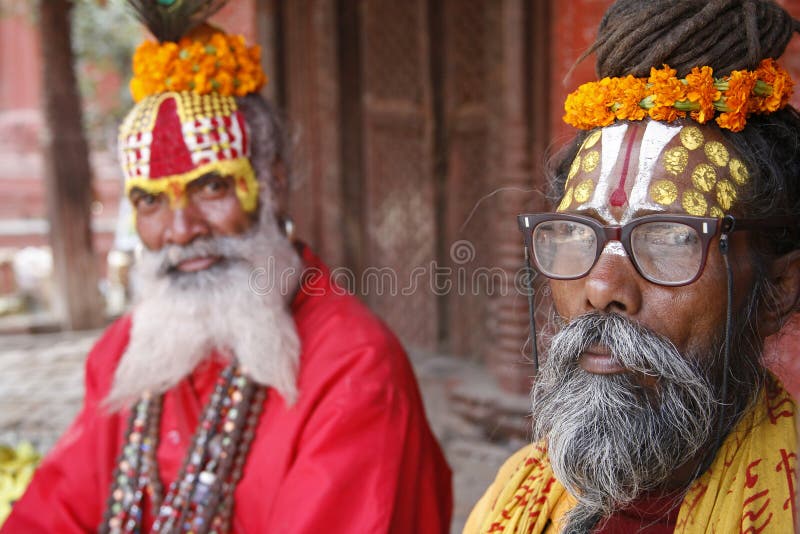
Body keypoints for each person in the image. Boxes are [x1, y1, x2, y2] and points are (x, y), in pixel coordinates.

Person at [2, 2, 451, 533]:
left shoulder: (352, 369)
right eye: (150, 201)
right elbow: (53, 514)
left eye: (212, 187)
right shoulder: (123, 355)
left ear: (273, 184)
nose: (180, 228)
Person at [465, 1, 799, 532]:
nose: (601, 287)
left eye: (669, 239)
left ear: (780, 287)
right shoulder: (515, 495)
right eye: (577, 233)